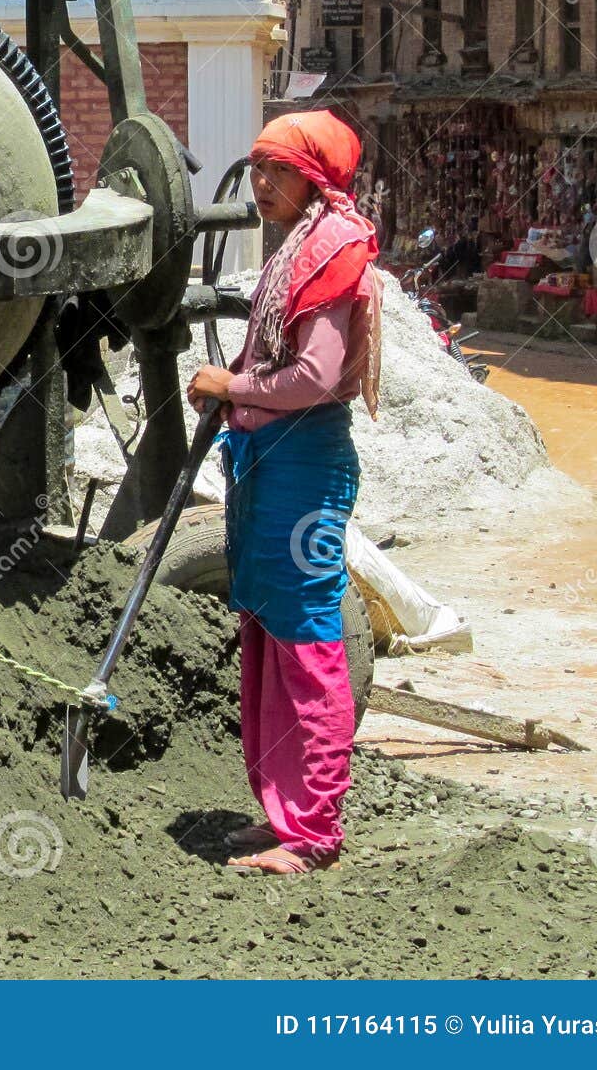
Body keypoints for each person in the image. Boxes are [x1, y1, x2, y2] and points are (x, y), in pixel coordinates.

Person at [186, 110, 380, 876]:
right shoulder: (295, 247)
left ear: (317, 179)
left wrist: (232, 387)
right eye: (258, 168)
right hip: (268, 461)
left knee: (307, 640)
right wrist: (230, 391)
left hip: (303, 467)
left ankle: (313, 831)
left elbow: (315, 376)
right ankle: (283, 812)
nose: (262, 183)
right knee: (267, 633)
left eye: (280, 171)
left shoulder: (331, 251)